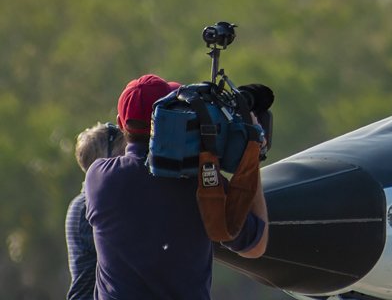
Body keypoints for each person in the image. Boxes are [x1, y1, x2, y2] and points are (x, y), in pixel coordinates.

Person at [85, 74, 268, 299]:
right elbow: (255, 246)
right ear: (171, 119)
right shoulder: (200, 182)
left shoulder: (98, 177)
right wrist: (251, 155)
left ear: (121, 122)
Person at [66, 122, 125, 300]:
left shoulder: (90, 201)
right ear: (102, 162)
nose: (125, 159)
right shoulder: (87, 205)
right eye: (120, 154)